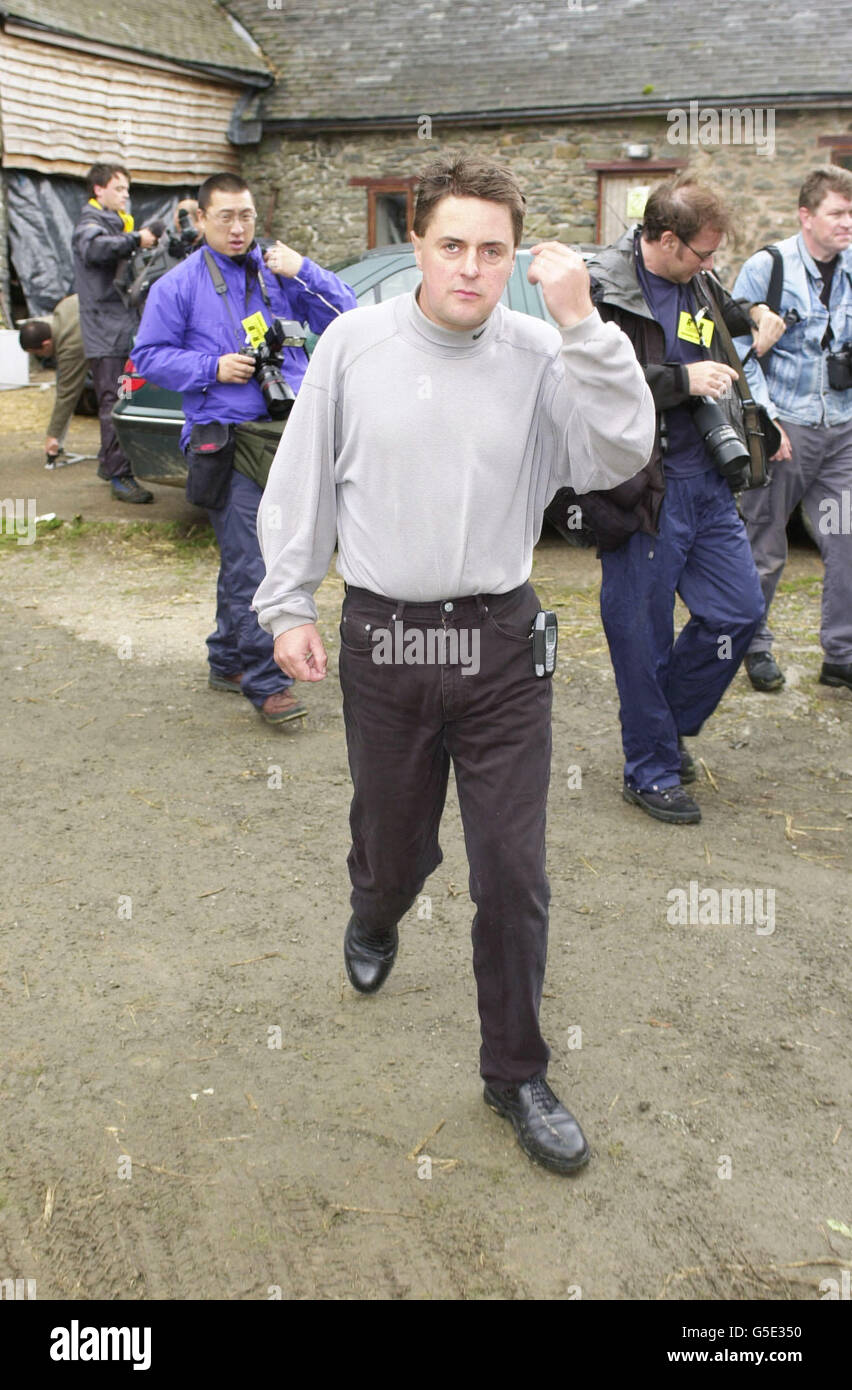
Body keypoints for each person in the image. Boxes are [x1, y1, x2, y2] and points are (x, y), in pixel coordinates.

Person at [253, 156, 654, 1174]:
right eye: (451, 245)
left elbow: (617, 455)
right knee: (391, 842)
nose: (471, 268)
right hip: (384, 639)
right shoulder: (353, 343)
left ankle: (514, 1069)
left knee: (513, 874)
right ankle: (379, 903)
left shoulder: (542, 352)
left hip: (500, 646)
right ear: (420, 245)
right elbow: (302, 483)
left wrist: (587, 329)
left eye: (493, 250)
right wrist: (287, 600)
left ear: (517, 258)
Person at [581, 172, 785, 825]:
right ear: (665, 240)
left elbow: (723, 308)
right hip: (642, 486)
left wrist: (753, 313)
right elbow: (582, 380)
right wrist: (680, 378)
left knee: (738, 611)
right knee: (641, 635)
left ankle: (659, 728)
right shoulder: (600, 288)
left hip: (707, 484)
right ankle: (650, 770)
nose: (712, 264)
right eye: (703, 252)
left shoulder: (696, 278)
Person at [131, 172, 356, 727]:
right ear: (202, 219)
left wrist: (302, 269)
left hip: (287, 433)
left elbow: (346, 317)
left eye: (247, 216)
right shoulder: (178, 286)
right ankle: (265, 682)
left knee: (247, 560)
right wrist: (211, 368)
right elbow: (147, 357)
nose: (238, 228)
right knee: (254, 562)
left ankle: (227, 659)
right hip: (226, 442)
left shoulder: (275, 272)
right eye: (226, 217)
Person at [732, 165, 852, 693]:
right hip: (785, 428)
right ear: (806, 216)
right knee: (766, 546)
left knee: (847, 541)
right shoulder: (768, 268)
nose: (848, 222)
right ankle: (753, 647)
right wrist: (766, 420)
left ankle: (841, 655)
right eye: (838, 213)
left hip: (842, 429)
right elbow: (733, 351)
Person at [71, 161, 159, 503]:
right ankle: (120, 475)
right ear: (99, 190)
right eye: (119, 189)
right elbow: (95, 249)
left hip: (120, 326)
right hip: (106, 332)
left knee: (123, 395)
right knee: (115, 400)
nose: (126, 196)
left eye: (127, 189)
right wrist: (136, 238)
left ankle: (110, 464)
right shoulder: (90, 224)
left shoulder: (114, 223)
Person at [18, 295, 88, 465]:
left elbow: (67, 394)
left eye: (37, 353)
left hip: (124, 355)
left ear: (46, 344)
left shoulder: (70, 346)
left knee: (122, 396)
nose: (40, 358)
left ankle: (120, 453)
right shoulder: (63, 307)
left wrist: (52, 435)